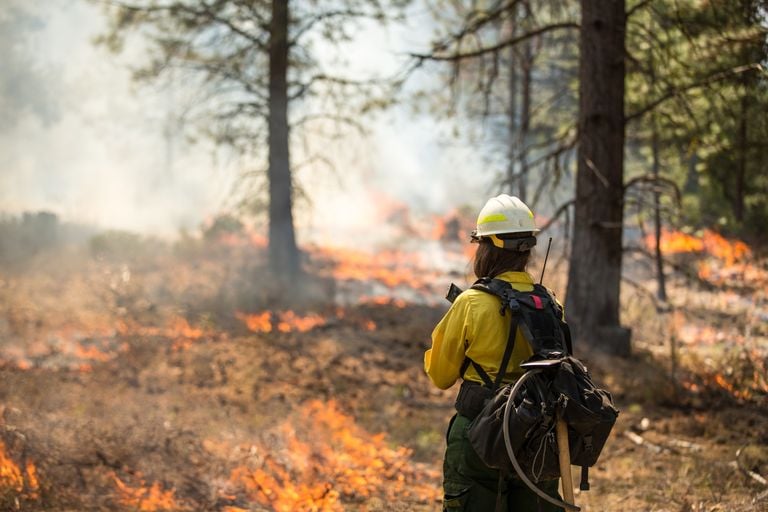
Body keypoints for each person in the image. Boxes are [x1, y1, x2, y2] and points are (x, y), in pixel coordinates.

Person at [424, 194, 565, 512]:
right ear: (527, 250)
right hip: (537, 437)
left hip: (479, 434)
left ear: (487, 248)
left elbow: (441, 376)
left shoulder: (471, 303)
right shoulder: (550, 304)